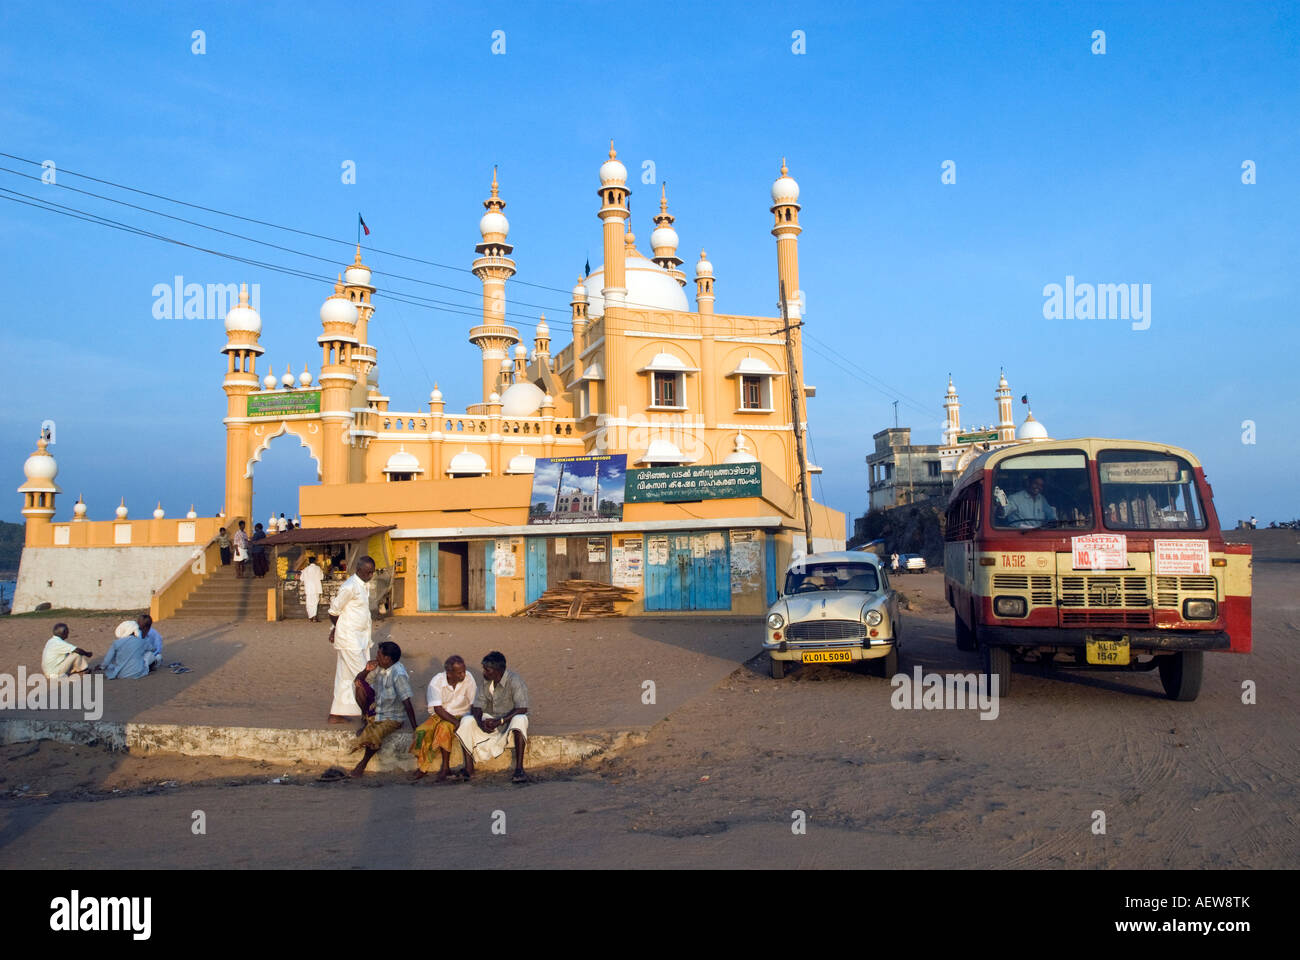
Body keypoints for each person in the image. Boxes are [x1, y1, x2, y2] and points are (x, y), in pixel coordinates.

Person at [456, 651, 530, 784]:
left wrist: (501, 721)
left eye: (487, 669)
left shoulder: (515, 680)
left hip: (507, 723)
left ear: (498, 670)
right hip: (490, 721)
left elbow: (522, 707)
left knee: (521, 719)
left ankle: (519, 769)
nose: (484, 672)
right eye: (484, 669)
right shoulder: (486, 682)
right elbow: (477, 706)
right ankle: (469, 768)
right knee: (466, 720)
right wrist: (480, 723)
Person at [350, 641, 418, 777]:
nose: (377, 658)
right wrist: (366, 670)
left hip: (393, 716)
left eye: (379, 655)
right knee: (359, 686)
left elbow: (407, 701)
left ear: (388, 659)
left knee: (376, 734)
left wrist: (415, 727)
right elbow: (359, 680)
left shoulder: (398, 675)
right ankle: (366, 719)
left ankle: (363, 763)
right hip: (379, 709)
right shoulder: (380, 667)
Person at [410, 655, 478, 781]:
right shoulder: (436, 683)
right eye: (459, 672)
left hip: (463, 714)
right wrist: (456, 723)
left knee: (443, 728)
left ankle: (445, 768)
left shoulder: (468, 678)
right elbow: (438, 709)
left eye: (464, 670)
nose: (463, 674)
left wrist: (469, 723)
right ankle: (423, 766)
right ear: (449, 673)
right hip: (442, 714)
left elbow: (474, 703)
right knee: (421, 731)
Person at [327, 555, 376, 724]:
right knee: (364, 674)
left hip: (361, 638)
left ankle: (336, 714)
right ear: (358, 570)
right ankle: (370, 713)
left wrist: (335, 630)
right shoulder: (349, 586)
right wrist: (337, 629)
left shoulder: (364, 585)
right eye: (367, 573)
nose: (370, 576)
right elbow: (333, 611)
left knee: (345, 676)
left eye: (372, 573)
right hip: (350, 639)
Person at [300, 555, 325, 622]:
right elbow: (321, 578)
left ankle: (310, 617)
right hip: (316, 588)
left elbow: (301, 578)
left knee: (309, 603)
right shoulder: (318, 568)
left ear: (309, 562)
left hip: (308, 588)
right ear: (315, 561)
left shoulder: (305, 569)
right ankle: (314, 617)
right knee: (315, 602)